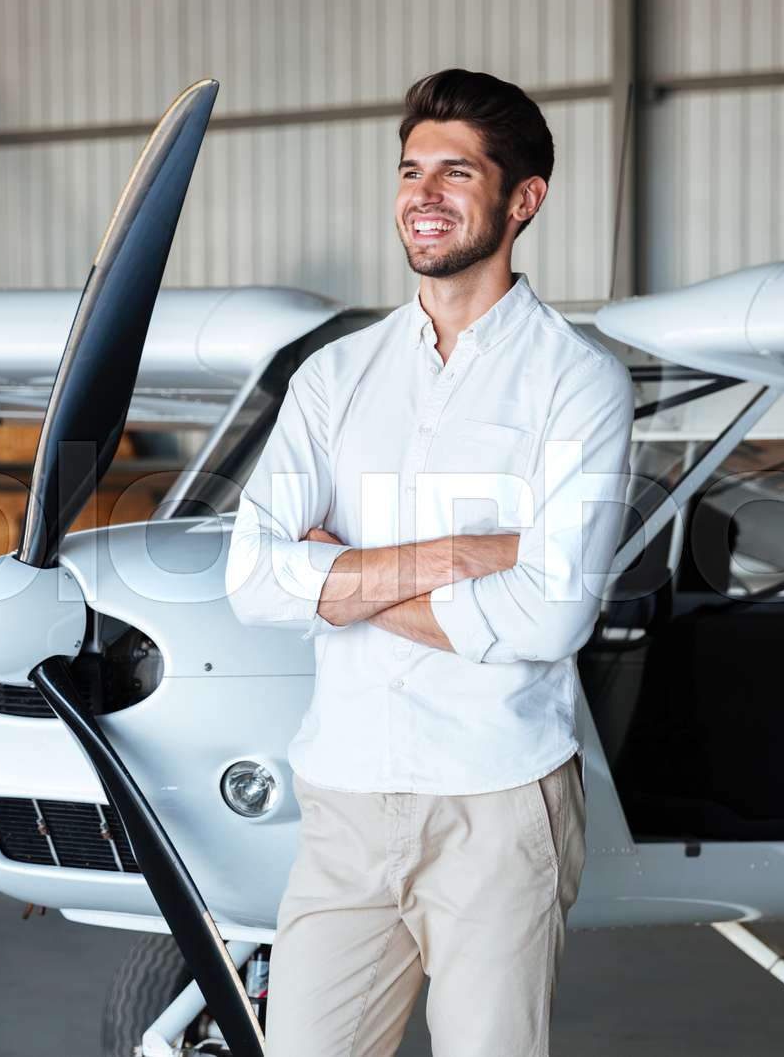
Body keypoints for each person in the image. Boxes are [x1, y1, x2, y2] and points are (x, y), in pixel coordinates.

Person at [226, 68, 634, 1056]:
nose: (424, 194)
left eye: (457, 173)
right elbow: (250, 580)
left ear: (522, 199)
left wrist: (342, 576)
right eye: (412, 171)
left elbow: (546, 620)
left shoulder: (577, 382)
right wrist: (460, 554)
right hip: (344, 795)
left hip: (498, 799)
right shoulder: (332, 374)